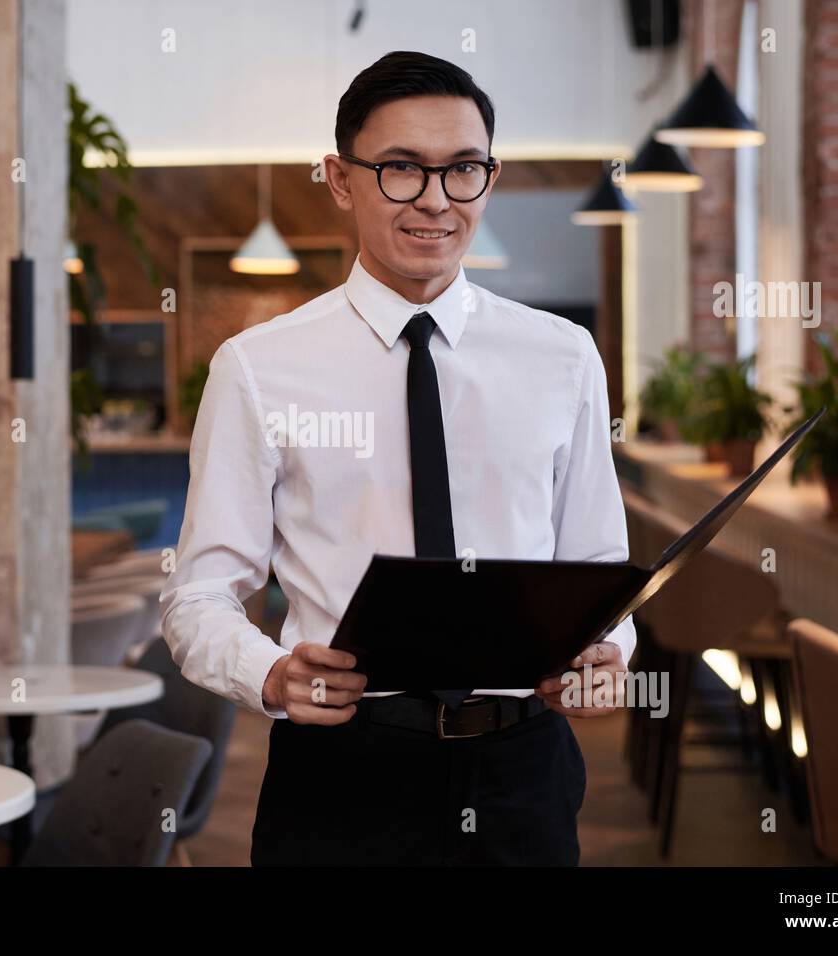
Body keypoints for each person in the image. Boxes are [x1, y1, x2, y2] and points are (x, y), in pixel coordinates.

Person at [159, 50, 636, 866]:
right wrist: (272, 673)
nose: (436, 201)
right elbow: (199, 594)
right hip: (343, 770)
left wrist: (606, 656)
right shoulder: (258, 367)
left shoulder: (563, 356)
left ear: (491, 177)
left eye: (463, 171)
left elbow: (598, 567)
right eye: (402, 171)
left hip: (522, 771)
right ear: (340, 180)